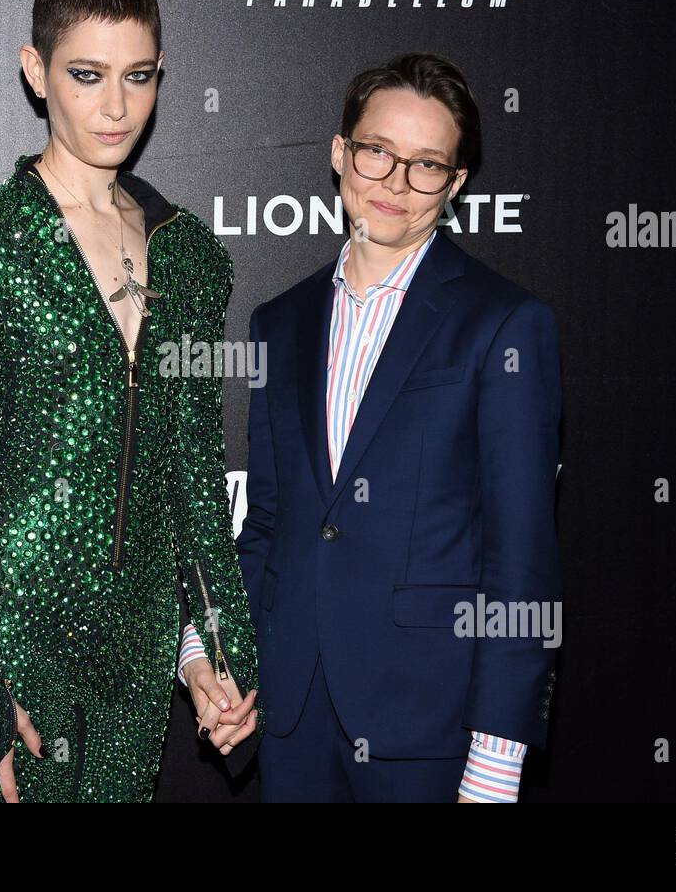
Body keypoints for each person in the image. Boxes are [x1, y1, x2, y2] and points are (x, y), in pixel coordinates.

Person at [0, 0, 259, 803]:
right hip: (19, 639)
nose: (116, 106)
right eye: (87, 75)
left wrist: (208, 647)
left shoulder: (191, 256)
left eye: (138, 76)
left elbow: (193, 482)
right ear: (37, 71)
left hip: (138, 650)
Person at [236, 52, 562, 802]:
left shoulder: (505, 323)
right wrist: (225, 663)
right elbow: (272, 527)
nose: (393, 182)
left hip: (433, 731)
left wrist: (496, 761)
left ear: (456, 184)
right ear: (339, 153)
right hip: (295, 720)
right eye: (377, 151)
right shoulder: (277, 323)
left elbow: (522, 565)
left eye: (425, 165)